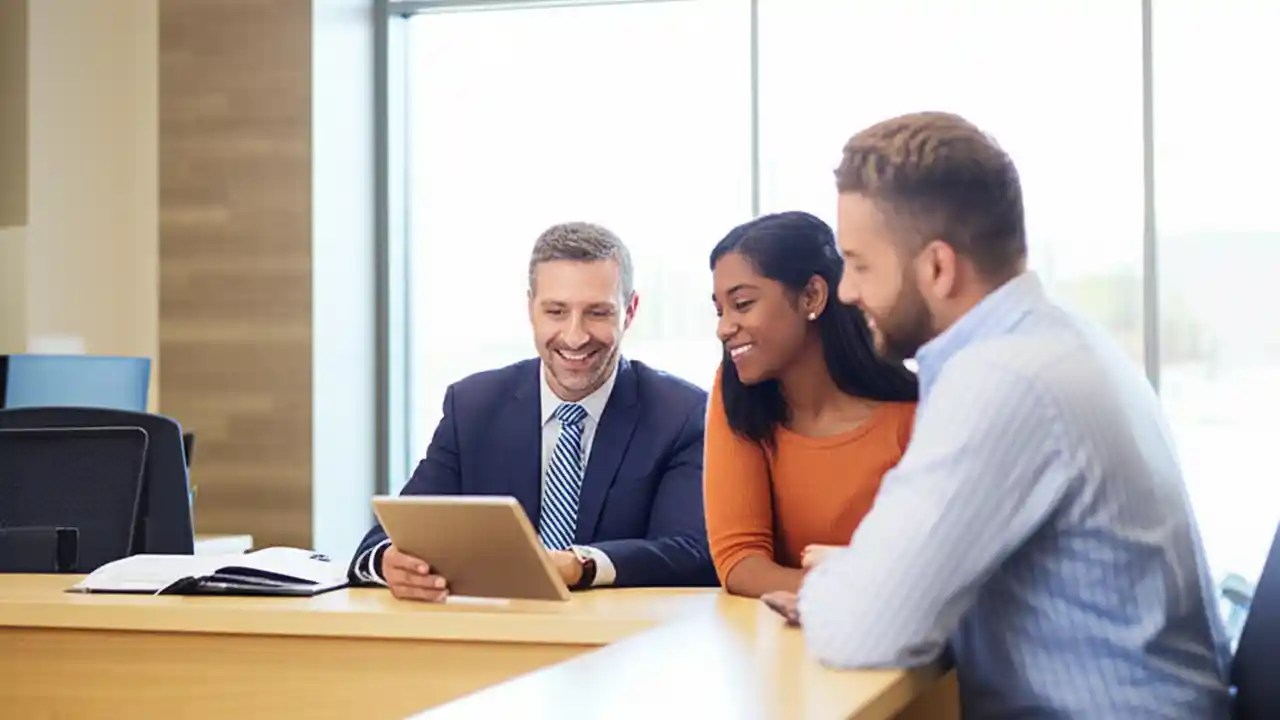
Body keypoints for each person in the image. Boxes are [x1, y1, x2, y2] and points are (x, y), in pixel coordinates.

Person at [790, 111, 1231, 717]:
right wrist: (872, 573)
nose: (846, 292)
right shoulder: (1064, 344)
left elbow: (861, 630)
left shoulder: (1001, 380)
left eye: (860, 264)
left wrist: (842, 588)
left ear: (937, 268)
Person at [350, 222, 717, 599]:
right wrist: (388, 562)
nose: (575, 336)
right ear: (531, 309)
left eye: (597, 313)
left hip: (621, 644)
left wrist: (581, 565)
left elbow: (690, 552)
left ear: (630, 311)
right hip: (491, 641)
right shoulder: (473, 407)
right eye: (556, 311)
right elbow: (387, 537)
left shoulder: (682, 414)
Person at [704, 211, 917, 598]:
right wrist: (845, 593)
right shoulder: (736, 392)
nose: (724, 328)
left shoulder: (917, 416)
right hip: (782, 642)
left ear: (811, 296)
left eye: (743, 304)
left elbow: (924, 573)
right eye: (720, 310)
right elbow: (740, 562)